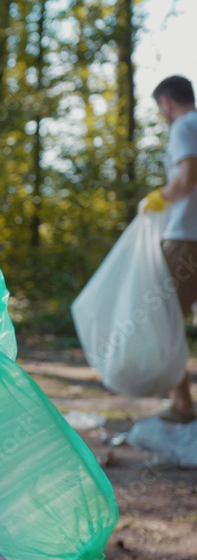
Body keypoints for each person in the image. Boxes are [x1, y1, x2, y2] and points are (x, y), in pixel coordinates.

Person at [141, 75, 197, 424]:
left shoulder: (184, 125)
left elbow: (187, 178)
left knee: (167, 318)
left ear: (166, 102)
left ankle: (182, 407)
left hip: (186, 238)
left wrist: (161, 196)